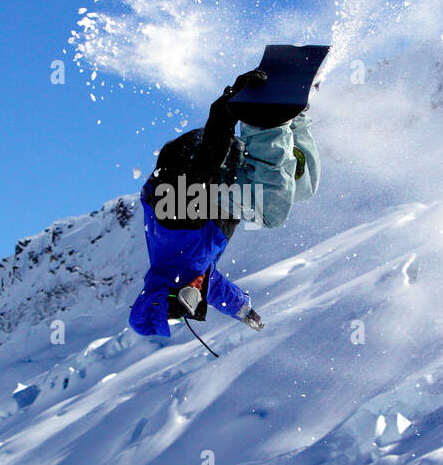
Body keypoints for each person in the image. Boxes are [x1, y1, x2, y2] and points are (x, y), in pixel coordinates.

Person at [128, 69, 321, 337]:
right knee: (301, 188)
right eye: (194, 301)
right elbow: (217, 289)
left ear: (170, 289)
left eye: (188, 296)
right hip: (213, 179)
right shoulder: (186, 270)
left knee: (272, 210)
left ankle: (267, 117)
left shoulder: (175, 227)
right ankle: (294, 115)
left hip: (204, 159)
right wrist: (244, 311)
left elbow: (204, 162)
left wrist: (232, 102)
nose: (197, 292)